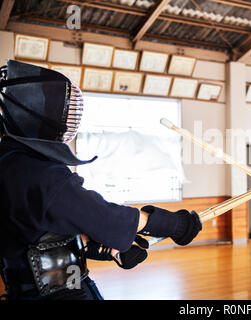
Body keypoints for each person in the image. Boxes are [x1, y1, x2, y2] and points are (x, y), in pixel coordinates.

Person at [0, 60, 202, 300]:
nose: (66, 118)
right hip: (56, 294)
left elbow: (34, 230)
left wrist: (92, 245)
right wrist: (172, 224)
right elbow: (104, 217)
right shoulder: (38, 173)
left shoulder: (11, 162)